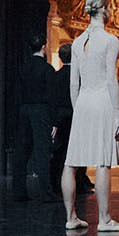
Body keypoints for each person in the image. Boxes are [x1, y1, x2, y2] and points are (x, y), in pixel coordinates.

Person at [60, 0, 119, 232]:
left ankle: (71, 218)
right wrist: (118, 114)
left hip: (83, 102)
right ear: (103, 10)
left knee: (70, 163)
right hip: (101, 101)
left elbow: (73, 84)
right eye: (109, 8)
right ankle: (104, 219)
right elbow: (111, 79)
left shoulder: (78, 42)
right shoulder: (110, 40)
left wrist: (77, 109)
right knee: (103, 160)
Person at [15, 32, 56, 196]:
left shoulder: (23, 67)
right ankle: (46, 192)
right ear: (44, 47)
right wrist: (54, 121)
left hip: (24, 109)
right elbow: (52, 96)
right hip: (41, 110)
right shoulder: (47, 69)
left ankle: (19, 191)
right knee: (42, 152)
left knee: (22, 151)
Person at [51, 41, 77, 194]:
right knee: (77, 151)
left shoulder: (56, 76)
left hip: (60, 117)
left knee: (60, 152)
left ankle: (56, 183)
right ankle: (78, 183)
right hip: (74, 116)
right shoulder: (77, 76)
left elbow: (53, 99)